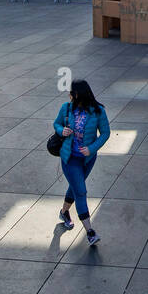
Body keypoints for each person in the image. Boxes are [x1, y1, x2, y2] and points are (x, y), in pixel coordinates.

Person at [54, 79, 110, 246]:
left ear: (79, 94)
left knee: (75, 186)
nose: (69, 95)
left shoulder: (98, 111)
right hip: (70, 158)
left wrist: (91, 148)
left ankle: (64, 212)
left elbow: (106, 133)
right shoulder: (66, 108)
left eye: (72, 92)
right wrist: (61, 130)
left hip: (88, 159)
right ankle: (90, 232)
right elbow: (56, 123)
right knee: (80, 191)